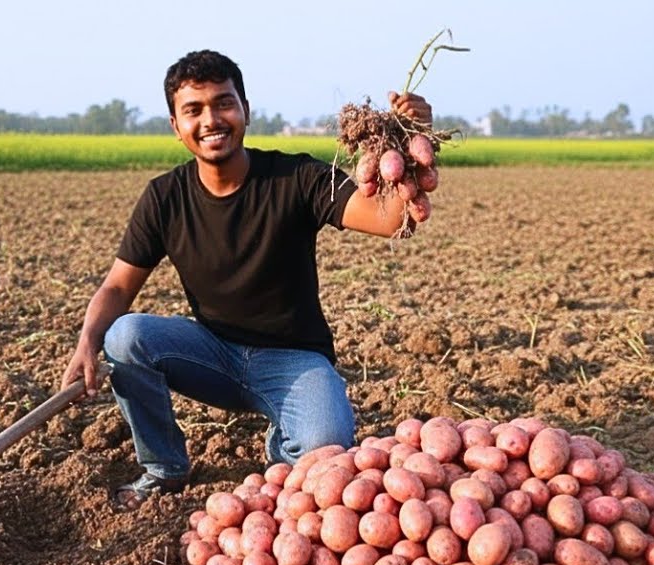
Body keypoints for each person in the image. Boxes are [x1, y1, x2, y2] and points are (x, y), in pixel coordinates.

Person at [61, 49, 432, 509]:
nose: (211, 119)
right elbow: (118, 287)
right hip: (211, 354)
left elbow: (392, 219)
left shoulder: (296, 178)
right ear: (177, 126)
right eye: (193, 110)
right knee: (125, 336)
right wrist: (87, 341)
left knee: (328, 445)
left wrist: (409, 139)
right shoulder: (164, 197)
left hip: (294, 362)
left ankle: (283, 452)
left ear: (246, 111)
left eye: (223, 103)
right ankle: (163, 468)